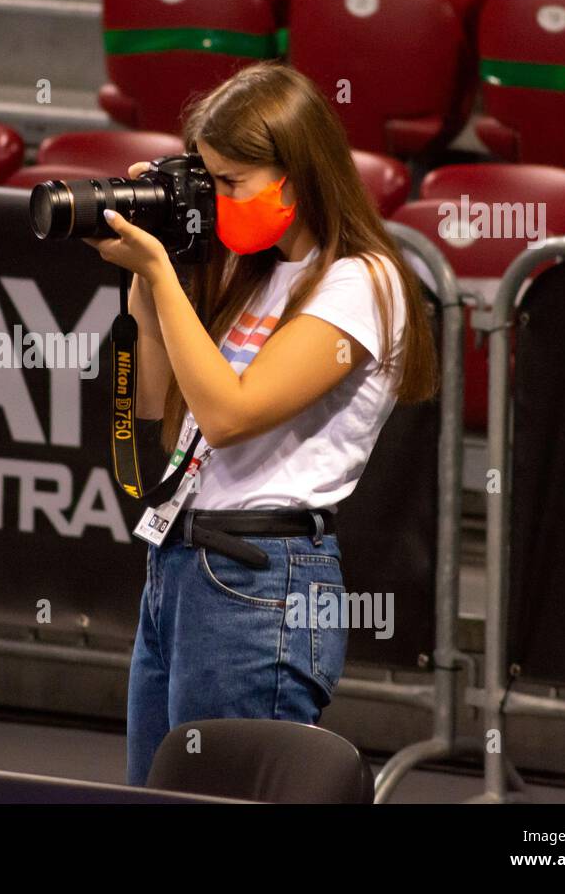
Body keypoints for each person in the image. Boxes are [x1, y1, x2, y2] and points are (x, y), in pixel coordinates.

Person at [83, 61, 438, 787]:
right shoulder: (257, 271)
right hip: (180, 568)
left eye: (230, 182)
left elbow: (230, 413)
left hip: (260, 584)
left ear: (297, 173)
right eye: (204, 179)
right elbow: (159, 407)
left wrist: (159, 273)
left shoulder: (361, 283)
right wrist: (150, 281)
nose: (213, 200)